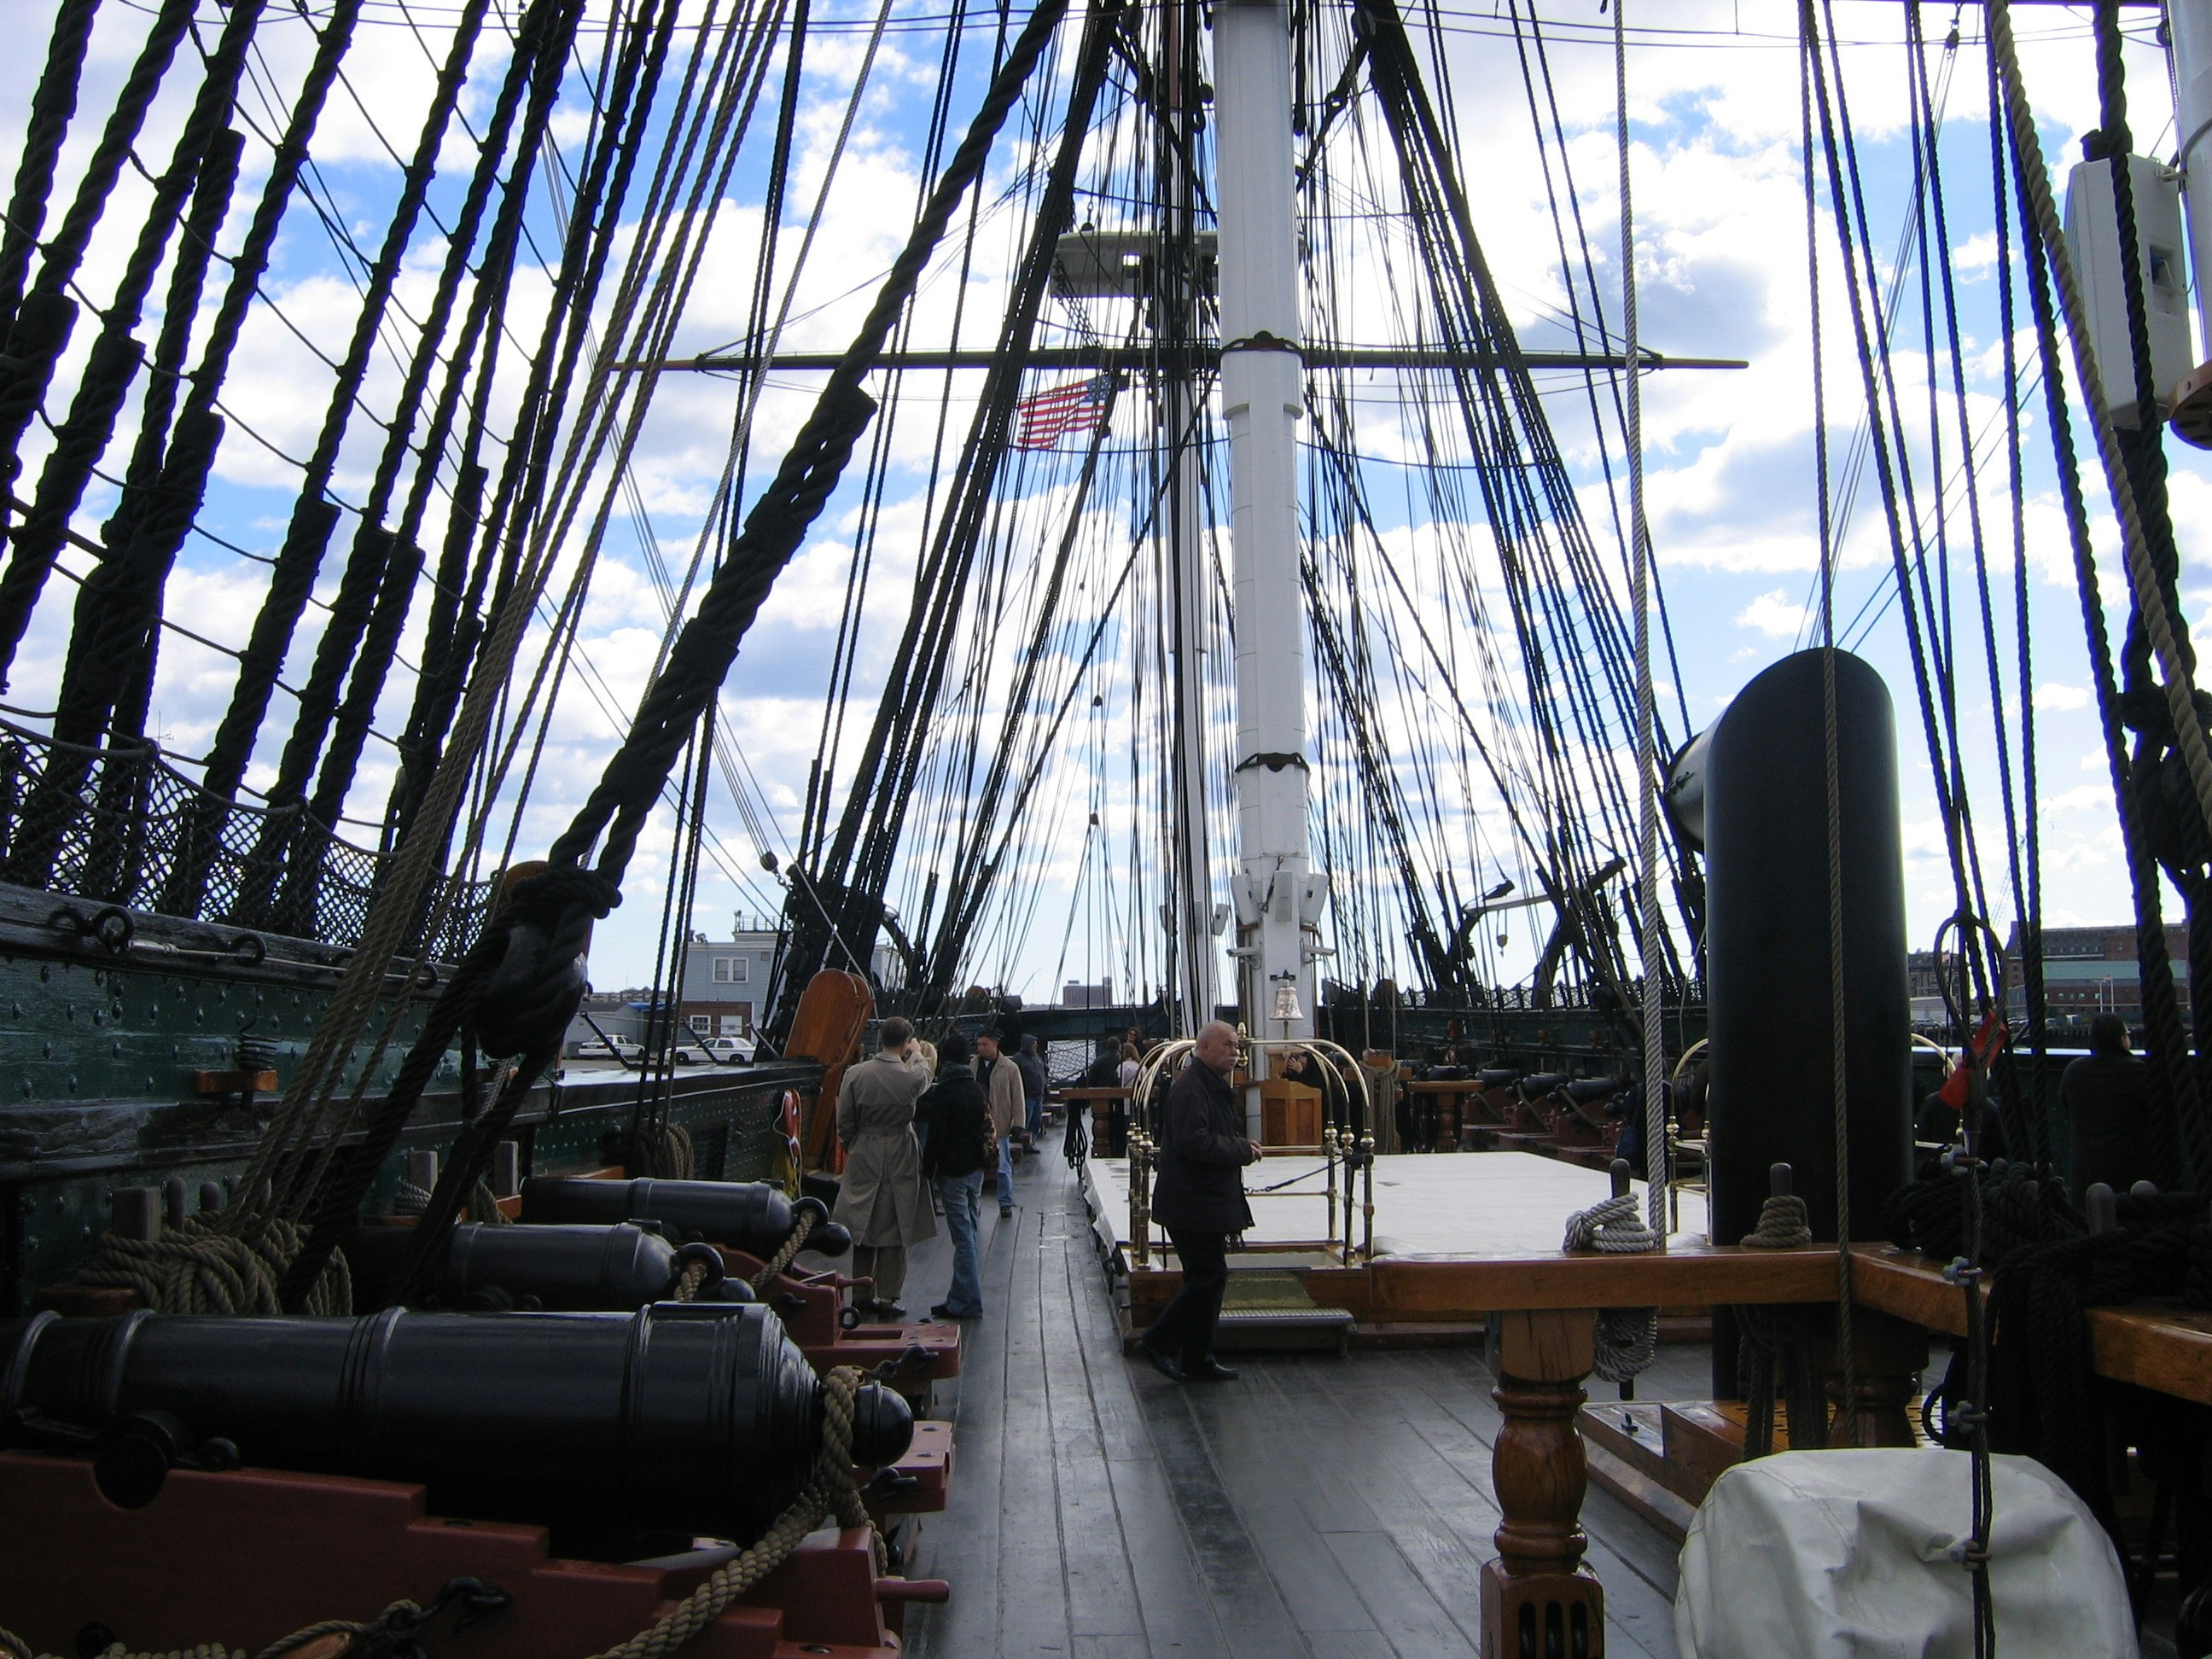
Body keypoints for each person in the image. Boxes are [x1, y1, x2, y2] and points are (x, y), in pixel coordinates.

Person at [1138, 1021, 1261, 1384]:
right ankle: (1159, 1341)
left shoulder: (1205, 1085)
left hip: (1199, 1200)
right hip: (1193, 1202)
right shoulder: (1192, 1089)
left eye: (1237, 1047)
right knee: (1209, 1276)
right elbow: (1194, 1142)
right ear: (1205, 1047)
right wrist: (1241, 1149)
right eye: (1228, 1045)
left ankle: (1198, 1357)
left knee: (1205, 1276)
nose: (1235, 1052)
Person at [829, 1016, 934, 1318]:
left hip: (865, 1150)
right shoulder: (909, 1075)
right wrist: (916, 1053)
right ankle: (888, 1297)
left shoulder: (855, 1073)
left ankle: (861, 1292)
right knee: (897, 1225)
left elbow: (844, 1120)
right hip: (900, 1149)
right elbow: (924, 1074)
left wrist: (854, 1144)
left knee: (863, 1225)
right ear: (904, 1043)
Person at [917, 1032, 992, 1319]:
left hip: (953, 1172)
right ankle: (959, 1295)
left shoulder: (945, 1091)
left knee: (963, 1239)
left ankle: (968, 1301)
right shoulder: (975, 1089)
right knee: (970, 1231)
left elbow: (936, 1135)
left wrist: (927, 1170)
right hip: (975, 1169)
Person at [2064, 1013, 2157, 1199]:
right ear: (2122, 1040)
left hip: (2086, 1174)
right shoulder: (2138, 1072)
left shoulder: (2073, 1071)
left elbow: (2066, 1106)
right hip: (2131, 1175)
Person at [976, 1028, 1026, 1220]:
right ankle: (976, 1202)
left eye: (984, 1044)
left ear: (995, 1044)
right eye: (979, 1044)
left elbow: (1017, 1097)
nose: (981, 1048)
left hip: (1000, 1123)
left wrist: (1018, 1123)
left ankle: (1005, 1202)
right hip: (978, 1124)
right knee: (977, 1166)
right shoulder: (973, 1066)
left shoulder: (1009, 1068)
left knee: (1003, 1165)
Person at [1016, 1034, 1050, 1143]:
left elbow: (1043, 1073)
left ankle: (1031, 1142)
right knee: (1026, 1121)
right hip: (1027, 1096)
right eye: (1033, 1045)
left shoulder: (1037, 1058)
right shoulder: (1018, 1059)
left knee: (1036, 1121)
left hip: (1038, 1096)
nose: (1035, 1047)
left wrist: (1045, 1089)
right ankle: (1022, 1143)